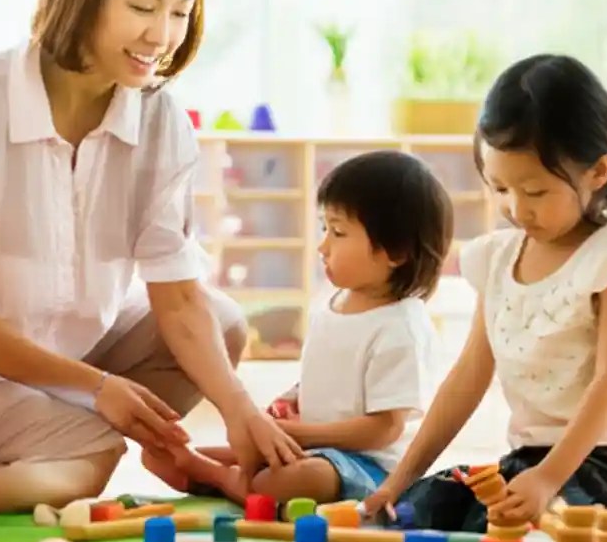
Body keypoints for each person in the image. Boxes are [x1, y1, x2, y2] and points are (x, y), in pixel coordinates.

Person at [0, 0, 301, 513]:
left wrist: (239, 409)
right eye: (142, 6)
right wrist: (97, 390)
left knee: (223, 323)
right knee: (91, 456)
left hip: (69, 353)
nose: (161, 36)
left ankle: (38, 437)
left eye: (180, 13)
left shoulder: (160, 119)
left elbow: (179, 296)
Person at [362, 54, 607, 532]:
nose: (515, 208)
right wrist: (399, 479)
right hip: (533, 459)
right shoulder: (497, 258)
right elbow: (468, 376)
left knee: (535, 530)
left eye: (535, 192)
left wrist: (550, 476)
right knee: (418, 510)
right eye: (500, 188)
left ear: (598, 172)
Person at [141, 151, 451, 504]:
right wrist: (278, 413)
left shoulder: (400, 327)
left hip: (371, 467)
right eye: (324, 229)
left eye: (338, 232)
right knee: (193, 452)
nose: (322, 246)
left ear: (396, 251)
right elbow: (325, 379)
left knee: (297, 479)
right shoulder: (331, 304)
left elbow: (384, 429)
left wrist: (297, 434)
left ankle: (220, 479)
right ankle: (227, 475)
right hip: (316, 448)